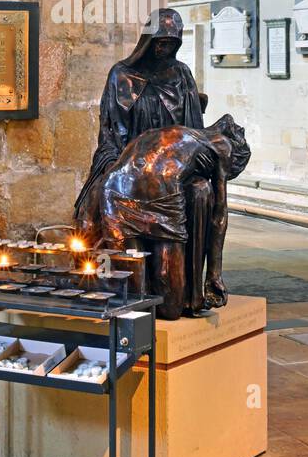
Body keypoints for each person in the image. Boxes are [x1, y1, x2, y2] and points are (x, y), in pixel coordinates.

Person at [99, 116, 251, 321]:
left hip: (113, 190)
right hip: (159, 198)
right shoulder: (222, 145)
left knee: (133, 292)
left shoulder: (172, 133)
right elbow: (219, 215)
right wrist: (214, 274)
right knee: (169, 308)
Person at [74, 9, 207, 238]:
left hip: (172, 166)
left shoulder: (181, 74)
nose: (161, 49)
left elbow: (193, 132)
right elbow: (110, 131)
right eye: (157, 42)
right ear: (147, 40)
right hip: (130, 164)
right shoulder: (121, 74)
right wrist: (117, 166)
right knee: (98, 205)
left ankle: (197, 271)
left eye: (168, 43)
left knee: (201, 192)